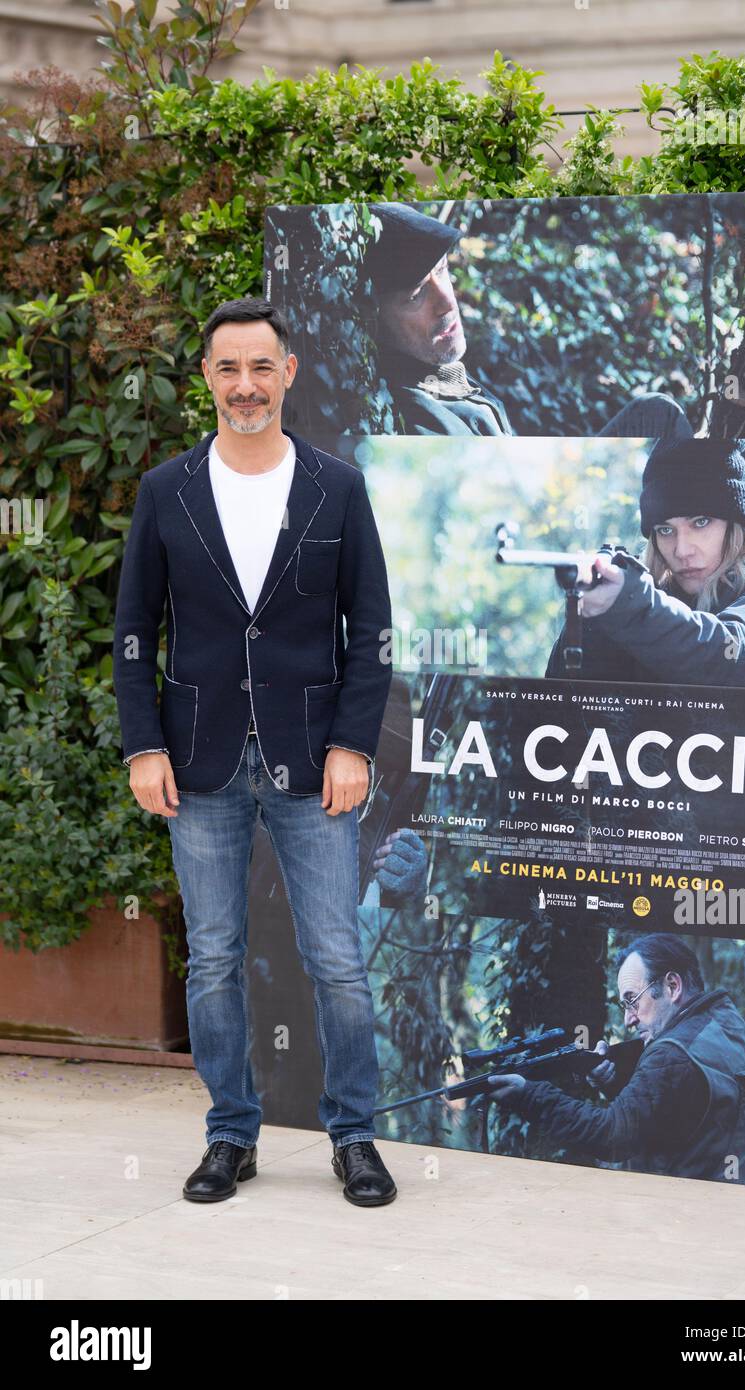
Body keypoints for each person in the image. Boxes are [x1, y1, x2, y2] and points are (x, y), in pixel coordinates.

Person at [112, 296, 397, 1208]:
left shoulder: (337, 487)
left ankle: (354, 1136)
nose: (246, 385)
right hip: (197, 764)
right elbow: (131, 633)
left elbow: (373, 631)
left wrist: (353, 744)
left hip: (314, 763)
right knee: (216, 958)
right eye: (228, 369)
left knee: (338, 960)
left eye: (261, 367)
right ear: (207, 379)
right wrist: (141, 746)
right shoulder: (166, 492)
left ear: (289, 373)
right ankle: (231, 1133)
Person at [363, 202, 692, 441]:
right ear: (375, 320)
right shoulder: (419, 414)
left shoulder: (432, 370)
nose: (448, 302)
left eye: (442, 271)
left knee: (656, 411)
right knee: (657, 412)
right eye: (416, 295)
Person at [545, 437, 745, 690]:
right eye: (665, 530)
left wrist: (631, 605)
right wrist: (597, 618)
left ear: (735, 524)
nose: (682, 550)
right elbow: (569, 699)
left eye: (700, 522)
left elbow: (740, 659)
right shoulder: (658, 596)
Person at [487, 934, 745, 1184]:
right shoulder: (727, 1022)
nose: (628, 1019)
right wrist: (615, 1084)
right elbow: (683, 1111)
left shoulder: (671, 1053)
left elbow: (611, 1135)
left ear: (672, 986)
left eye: (632, 1000)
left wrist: (530, 1094)